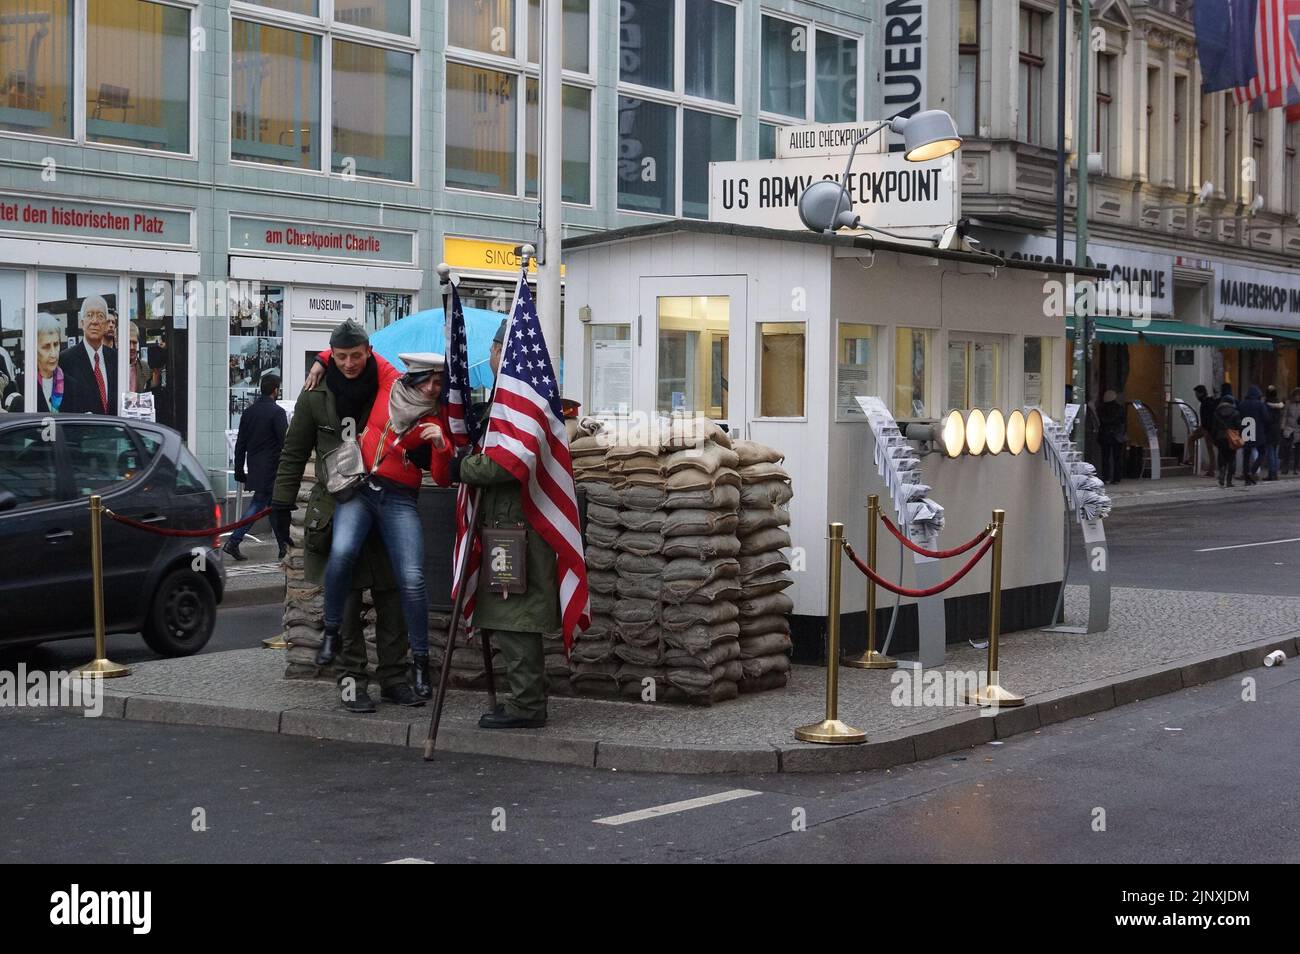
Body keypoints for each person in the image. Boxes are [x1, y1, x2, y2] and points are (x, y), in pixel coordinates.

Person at [270, 320, 423, 712]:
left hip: (385, 500)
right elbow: (293, 452)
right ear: (332, 356)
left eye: (357, 355)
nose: (350, 364)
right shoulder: (314, 396)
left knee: (392, 600)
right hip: (339, 508)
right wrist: (280, 504)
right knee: (349, 603)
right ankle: (352, 683)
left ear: (369, 351)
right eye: (341, 357)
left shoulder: (389, 387)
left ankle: (395, 679)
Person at [302, 328, 455, 700]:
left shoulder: (439, 416)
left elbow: (441, 478)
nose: (433, 388)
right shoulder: (389, 382)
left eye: (439, 382)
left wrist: (441, 446)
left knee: (413, 578)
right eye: (428, 381)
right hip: (359, 488)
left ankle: (419, 663)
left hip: (399, 497)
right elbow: (356, 349)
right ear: (412, 378)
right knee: (342, 553)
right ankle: (332, 632)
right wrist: (323, 360)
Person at [452, 320, 559, 730]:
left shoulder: (524, 402)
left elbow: (510, 463)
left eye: (497, 352)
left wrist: (466, 467)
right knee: (508, 612)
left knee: (517, 616)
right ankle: (524, 698)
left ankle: (528, 705)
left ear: (502, 353)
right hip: (507, 522)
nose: (495, 358)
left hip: (518, 525)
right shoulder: (507, 400)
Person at [225, 374, 291, 561]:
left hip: (254, 467)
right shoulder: (277, 413)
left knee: (272, 508)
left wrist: (239, 469)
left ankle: (282, 547)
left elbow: (241, 444)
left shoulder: (248, 412)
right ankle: (234, 541)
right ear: (275, 390)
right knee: (259, 505)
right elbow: (285, 443)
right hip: (272, 469)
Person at [58, 296, 117, 414]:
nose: (94, 321)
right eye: (89, 315)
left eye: (100, 316)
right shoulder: (65, 360)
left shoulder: (116, 359)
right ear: (82, 323)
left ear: (106, 324)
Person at [1237, 384, 1271, 486]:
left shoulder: (1242, 404)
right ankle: (1253, 470)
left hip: (1245, 432)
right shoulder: (1260, 405)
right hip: (1258, 432)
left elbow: (1238, 417)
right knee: (1262, 452)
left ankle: (1246, 475)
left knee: (1246, 454)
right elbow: (1266, 418)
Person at [1211, 384, 1242, 487]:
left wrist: (1214, 439)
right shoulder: (1236, 412)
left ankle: (1222, 471)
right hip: (1231, 438)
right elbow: (1239, 426)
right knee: (1231, 458)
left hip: (1220, 437)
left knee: (1221, 456)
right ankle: (1229, 480)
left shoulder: (1216, 413)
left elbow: (1214, 427)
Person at [34, 315, 65, 414]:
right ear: (34, 349)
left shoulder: (73, 386)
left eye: (56, 344)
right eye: (46, 347)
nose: (53, 353)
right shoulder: (24, 385)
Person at [1185, 384, 1217, 478]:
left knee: (1209, 448)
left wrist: (1207, 429)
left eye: (1196, 394)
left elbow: (1208, 418)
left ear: (1201, 393)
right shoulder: (1207, 401)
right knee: (1192, 438)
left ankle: (1211, 469)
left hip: (1207, 428)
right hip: (1205, 427)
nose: (1196, 396)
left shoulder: (1206, 403)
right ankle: (1192, 460)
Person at [1097, 390, 1128, 485]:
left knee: (1105, 458)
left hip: (1105, 435)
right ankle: (1117, 478)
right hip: (1117, 435)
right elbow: (1123, 421)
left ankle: (1106, 477)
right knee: (1117, 458)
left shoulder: (1101, 408)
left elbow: (1101, 420)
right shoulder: (1119, 408)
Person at [1264, 385, 1285, 481]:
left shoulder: (1267, 405)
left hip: (1269, 431)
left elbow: (1267, 418)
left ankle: (1271, 474)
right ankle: (1275, 473)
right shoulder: (1279, 404)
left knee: (1270, 453)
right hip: (1277, 430)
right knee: (1275, 453)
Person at [128, 322, 154, 394]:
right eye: (128, 342)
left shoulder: (145, 367)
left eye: (134, 342)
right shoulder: (113, 365)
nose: (132, 347)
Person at [1282, 387, 1300, 475]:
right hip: (1289, 429)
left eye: (1299, 395)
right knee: (1287, 450)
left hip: (1299, 430)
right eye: (1296, 395)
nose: (1297, 397)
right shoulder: (1289, 403)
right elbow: (1285, 415)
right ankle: (1285, 468)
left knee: (1297, 451)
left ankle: (1296, 468)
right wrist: (1282, 427)